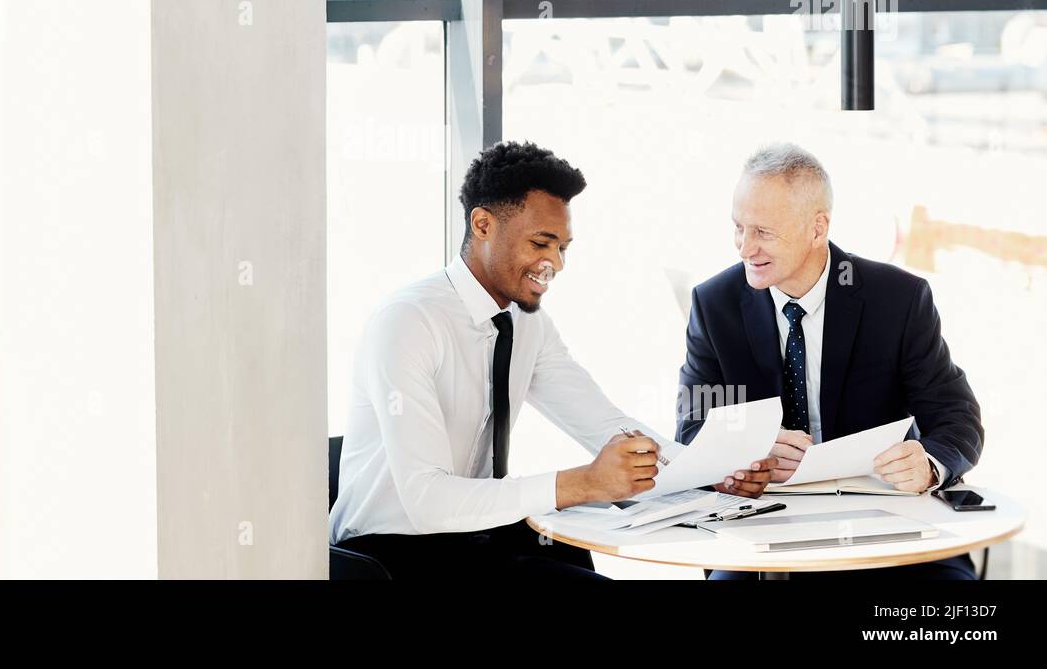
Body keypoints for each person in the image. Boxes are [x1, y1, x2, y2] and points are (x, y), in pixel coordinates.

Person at [330, 140, 776, 580]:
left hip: (475, 537)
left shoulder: (526, 324)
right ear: (483, 225)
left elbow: (604, 424)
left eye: (562, 247)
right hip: (389, 555)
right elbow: (425, 500)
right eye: (541, 243)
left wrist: (708, 473)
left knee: (572, 552)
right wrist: (581, 483)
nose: (555, 263)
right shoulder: (408, 322)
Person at [677, 143, 984, 579]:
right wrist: (748, 446)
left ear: (817, 228)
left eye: (763, 231)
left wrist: (928, 465)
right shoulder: (715, 303)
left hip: (882, 518)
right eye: (738, 228)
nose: (745, 248)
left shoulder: (896, 299)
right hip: (759, 523)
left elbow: (956, 416)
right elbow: (692, 428)